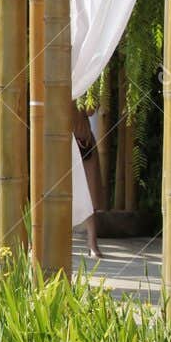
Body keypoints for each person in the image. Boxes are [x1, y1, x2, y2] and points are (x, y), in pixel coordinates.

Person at [72, 101, 103, 260]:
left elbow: (91, 111)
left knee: (90, 193)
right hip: (57, 141)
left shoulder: (82, 86)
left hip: (82, 141)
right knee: (52, 192)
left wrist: (87, 93)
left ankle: (92, 243)